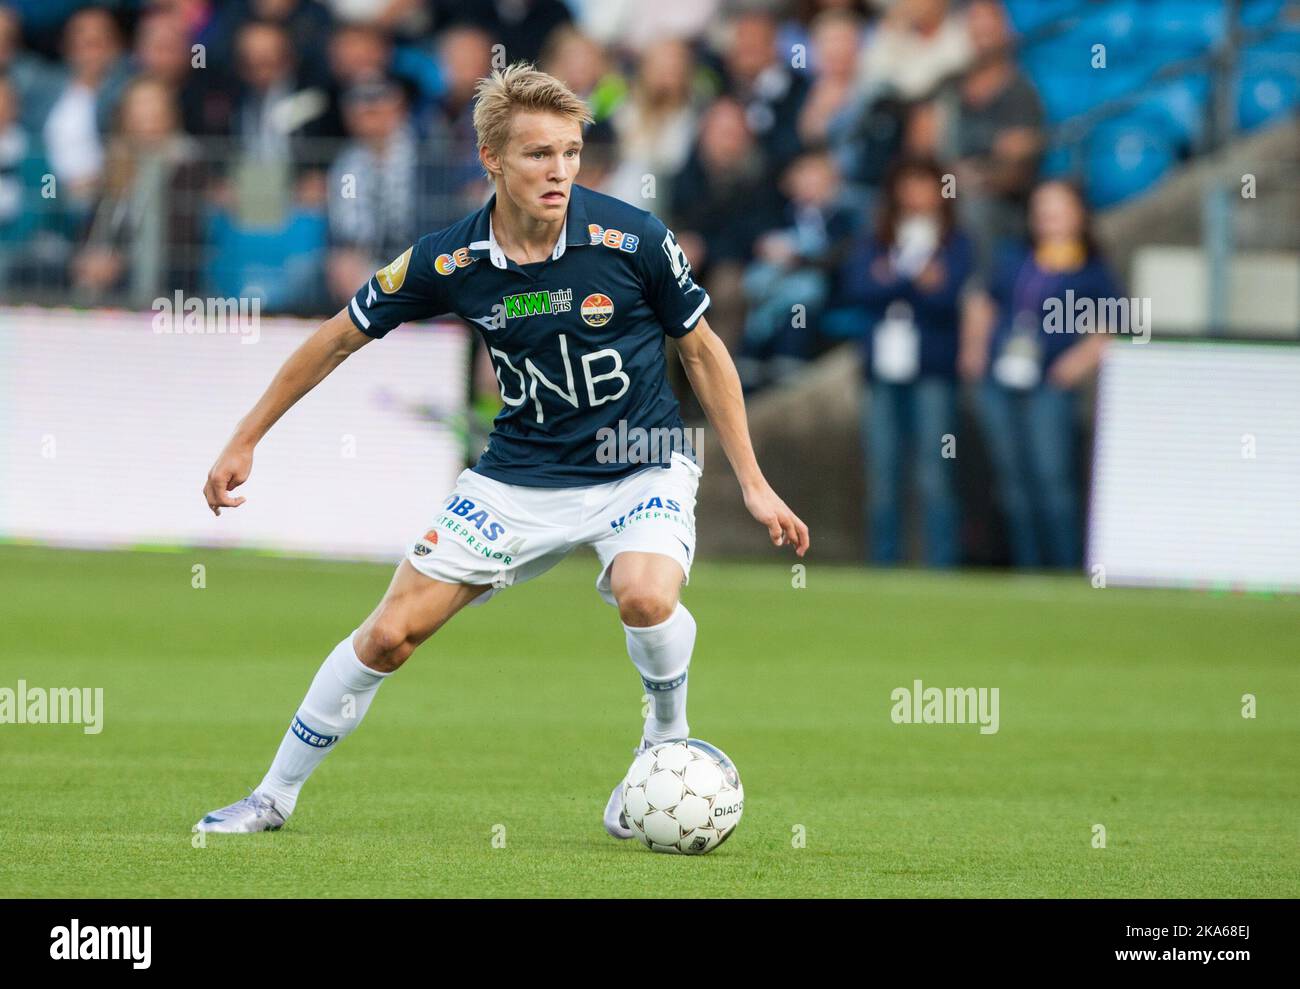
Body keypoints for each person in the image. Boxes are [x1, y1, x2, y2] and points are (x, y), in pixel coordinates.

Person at [194, 62, 809, 836]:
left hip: (641, 456)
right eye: (538, 155)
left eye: (571, 153)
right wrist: (246, 437)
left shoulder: (633, 238)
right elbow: (337, 338)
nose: (560, 172)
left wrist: (751, 478)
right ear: (492, 159)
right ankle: (271, 797)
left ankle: (663, 740)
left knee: (647, 596)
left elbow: (704, 350)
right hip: (518, 473)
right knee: (388, 634)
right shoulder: (449, 259)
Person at [962, 179, 1119, 569]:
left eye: (1059, 209)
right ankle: (1028, 568)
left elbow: (1110, 326)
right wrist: (976, 350)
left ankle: (1065, 567)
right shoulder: (1015, 257)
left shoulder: (1092, 269)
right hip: (1002, 379)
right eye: (1043, 210)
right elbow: (985, 300)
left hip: (1049, 384)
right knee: (1013, 483)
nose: (1049, 219)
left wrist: (1074, 365)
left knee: (1052, 479)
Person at [842, 155, 972, 565]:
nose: (915, 195)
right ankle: (883, 563)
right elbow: (859, 288)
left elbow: (948, 297)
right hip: (883, 368)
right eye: (907, 184)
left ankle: (941, 564)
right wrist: (915, 280)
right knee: (883, 472)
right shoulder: (876, 238)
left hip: (932, 368)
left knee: (934, 473)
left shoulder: (957, 241)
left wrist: (895, 280)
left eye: (924, 185)